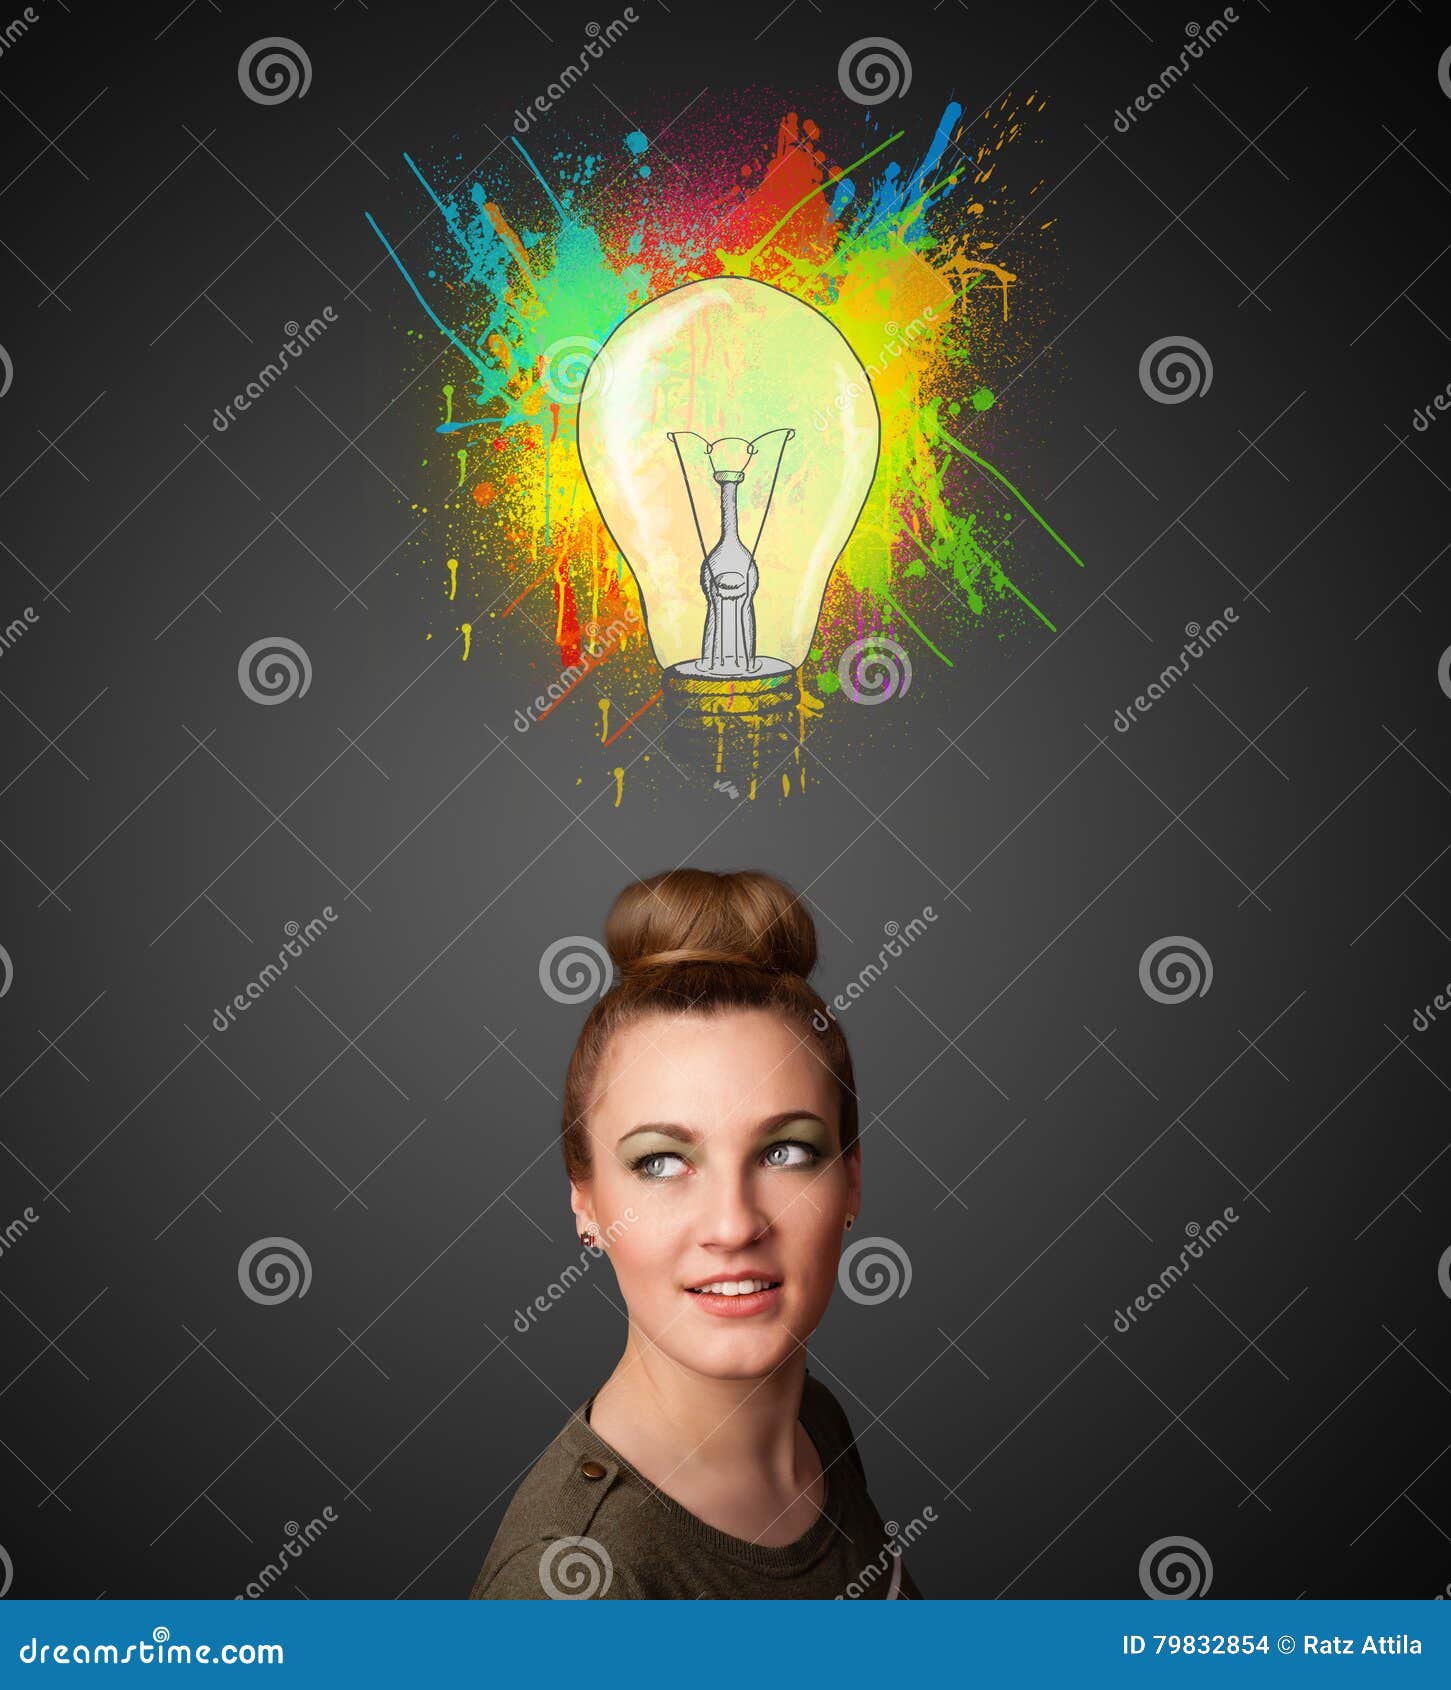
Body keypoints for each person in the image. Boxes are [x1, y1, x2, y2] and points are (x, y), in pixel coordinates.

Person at [470, 868, 923, 1599]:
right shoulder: (573, 1588)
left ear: (851, 1180)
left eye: (785, 1153)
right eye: (660, 1161)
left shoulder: (814, 1424)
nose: (733, 1224)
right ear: (585, 1202)